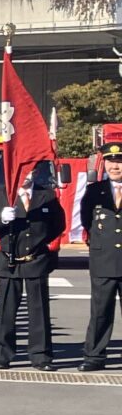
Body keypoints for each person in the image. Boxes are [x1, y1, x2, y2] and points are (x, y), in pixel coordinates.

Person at [0, 164, 65, 371]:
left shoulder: (46, 195)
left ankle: (41, 356)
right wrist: (1, 219)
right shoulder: (1, 194)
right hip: (9, 259)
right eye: (22, 172)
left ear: (35, 173)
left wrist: (41, 241)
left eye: (29, 172)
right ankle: (1, 355)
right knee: (6, 311)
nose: (26, 176)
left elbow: (58, 224)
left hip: (35, 259)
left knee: (38, 311)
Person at [80, 143, 122, 370]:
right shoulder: (95, 190)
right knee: (100, 312)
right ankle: (94, 356)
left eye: (119, 161)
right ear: (104, 163)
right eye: (110, 161)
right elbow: (87, 220)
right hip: (103, 259)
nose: (115, 166)